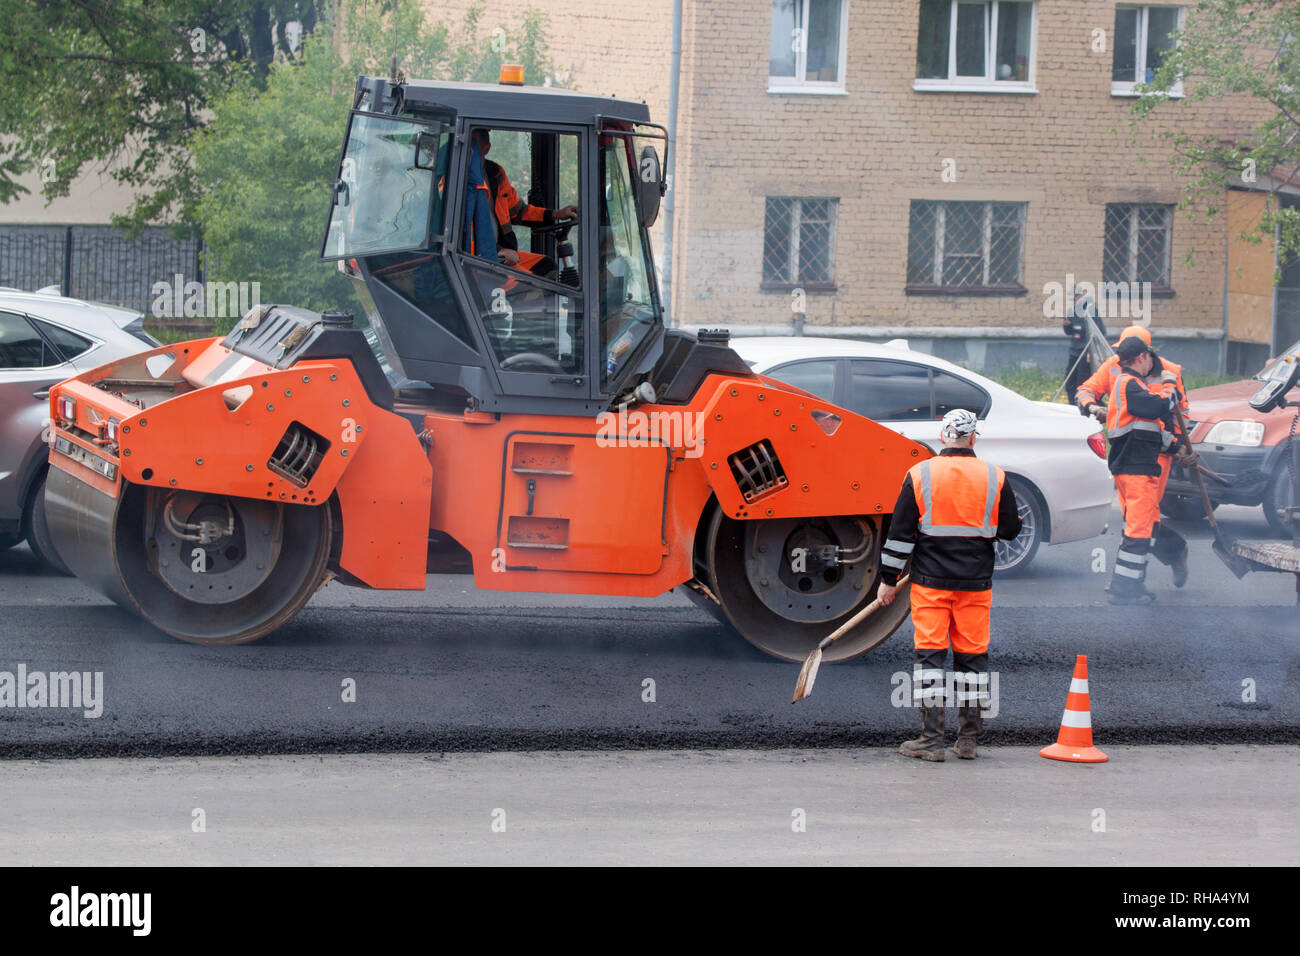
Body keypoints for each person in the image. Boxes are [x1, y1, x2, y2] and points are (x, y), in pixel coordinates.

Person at [876, 409, 1022, 761]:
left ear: (943, 437)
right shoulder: (994, 475)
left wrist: (888, 581)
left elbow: (900, 536)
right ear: (973, 439)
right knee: (972, 659)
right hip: (976, 583)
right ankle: (968, 740)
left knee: (930, 657)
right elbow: (1010, 531)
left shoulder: (920, 473)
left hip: (930, 584)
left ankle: (931, 740)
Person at [1077, 325, 1193, 587]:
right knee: (1139, 521)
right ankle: (1164, 557)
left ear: (1144, 355)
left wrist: (1179, 448)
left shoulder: (1170, 372)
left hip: (1157, 455)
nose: (1122, 359)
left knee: (1140, 520)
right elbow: (1085, 390)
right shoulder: (1115, 367)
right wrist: (1091, 406)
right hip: (1131, 455)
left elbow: (1180, 415)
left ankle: (1129, 582)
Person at [1105, 336, 1181, 604]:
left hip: (1132, 466)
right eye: (1150, 358)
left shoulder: (1131, 386)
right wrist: (1170, 386)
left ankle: (1132, 584)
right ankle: (1123, 590)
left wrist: (1174, 446)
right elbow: (1158, 407)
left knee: (1140, 529)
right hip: (1136, 469)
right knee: (1138, 532)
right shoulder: (1130, 385)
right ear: (1141, 357)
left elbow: (1148, 426)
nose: (1152, 363)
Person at [471, 128, 578, 278]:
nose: (471, 150)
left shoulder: (495, 173)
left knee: (547, 267)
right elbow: (461, 231)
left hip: (502, 252)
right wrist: (495, 251)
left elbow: (518, 211)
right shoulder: (458, 179)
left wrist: (556, 214)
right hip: (479, 257)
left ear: (486, 148)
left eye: (474, 144)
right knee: (532, 286)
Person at [1063, 286, 1107, 409]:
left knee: (1081, 385)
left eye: (1076, 297)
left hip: (1086, 353)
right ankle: (1074, 408)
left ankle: (1091, 408)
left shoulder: (1090, 310)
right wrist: (1067, 326)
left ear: (1082, 295)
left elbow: (1100, 332)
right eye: (1072, 298)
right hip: (1074, 351)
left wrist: (1090, 352)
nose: (1074, 300)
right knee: (1069, 383)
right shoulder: (1072, 311)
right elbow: (1071, 332)